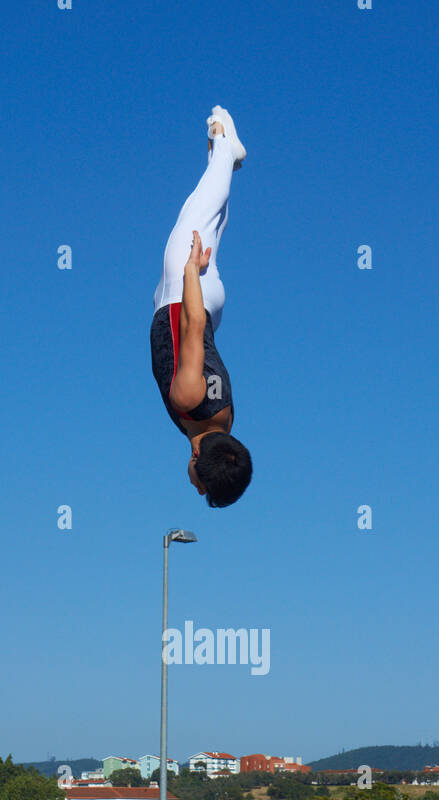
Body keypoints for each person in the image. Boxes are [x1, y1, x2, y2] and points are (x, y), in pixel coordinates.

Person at [150, 106, 252, 509]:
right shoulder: (188, 399)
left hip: (206, 305)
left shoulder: (226, 422)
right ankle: (225, 144)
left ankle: (222, 157)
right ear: (196, 460)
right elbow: (190, 327)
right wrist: (192, 268)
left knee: (206, 217)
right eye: (202, 487)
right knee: (198, 218)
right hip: (186, 297)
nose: (196, 488)